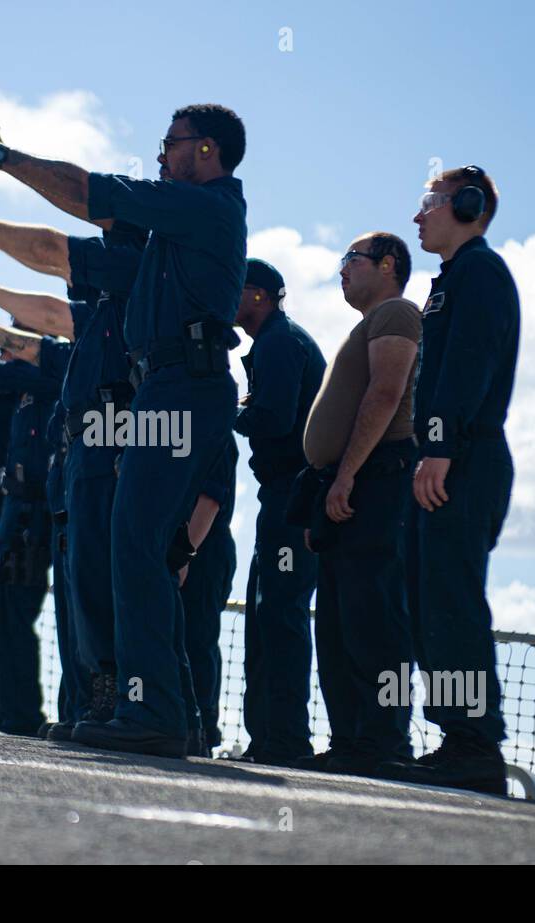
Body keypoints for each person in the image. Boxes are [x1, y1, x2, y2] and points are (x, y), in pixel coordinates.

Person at [0, 103, 248, 757]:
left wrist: (2, 160)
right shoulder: (168, 241)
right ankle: (151, 705)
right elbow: (61, 251)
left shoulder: (204, 207)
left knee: (135, 542)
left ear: (207, 150)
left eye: (170, 144)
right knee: (131, 543)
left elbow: (90, 196)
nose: (161, 156)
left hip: (182, 386)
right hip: (162, 389)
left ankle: (160, 711)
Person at [0, 204, 147, 738]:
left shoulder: (94, 328)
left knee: (94, 597)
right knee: (70, 604)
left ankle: (104, 709)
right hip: (55, 488)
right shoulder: (95, 324)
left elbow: (48, 330)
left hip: (71, 480)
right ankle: (82, 708)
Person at [382, 165, 520, 795]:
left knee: (452, 601)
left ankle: (474, 743)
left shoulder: (480, 273)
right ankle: (456, 737)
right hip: (445, 457)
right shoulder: (455, 278)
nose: (418, 217)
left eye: (428, 203)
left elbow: (468, 367)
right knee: (428, 600)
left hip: (464, 458)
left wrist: (438, 447)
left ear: (467, 205)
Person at [297, 232, 420, 774]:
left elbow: (386, 393)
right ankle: (351, 741)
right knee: (341, 621)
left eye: (350, 260)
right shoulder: (369, 321)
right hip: (352, 483)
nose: (341, 270)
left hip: (379, 477)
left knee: (374, 619)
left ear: (387, 265)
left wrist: (346, 475)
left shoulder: (395, 312)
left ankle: (384, 743)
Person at [233, 258, 326, 767]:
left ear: (259, 296)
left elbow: (273, 419)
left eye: (237, 289)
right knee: (268, 613)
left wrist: (230, 410)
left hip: (292, 497)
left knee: (280, 614)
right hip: (285, 496)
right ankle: (270, 738)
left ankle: (283, 740)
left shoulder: (277, 343)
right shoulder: (275, 341)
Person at [179, 435, 238, 756]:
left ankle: (200, 726)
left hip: (205, 547)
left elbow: (210, 499)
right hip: (188, 546)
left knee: (197, 639)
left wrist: (185, 554)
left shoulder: (216, 435)